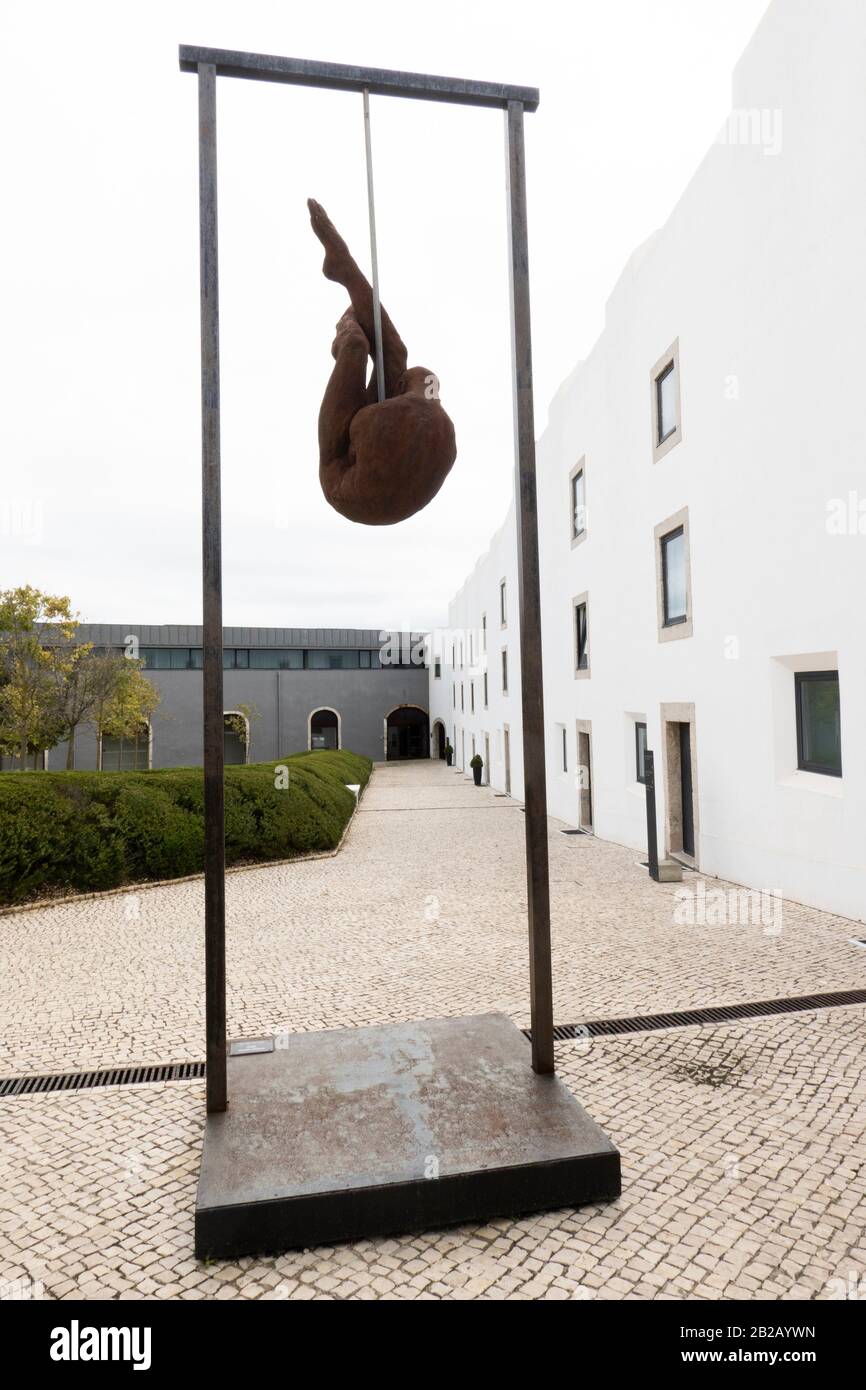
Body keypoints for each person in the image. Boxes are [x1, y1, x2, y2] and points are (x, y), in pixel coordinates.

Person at [308, 199, 457, 526]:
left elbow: (380, 437)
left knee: (356, 346)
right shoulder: (436, 420)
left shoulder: (394, 421)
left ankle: (348, 301)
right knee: (395, 352)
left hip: (342, 474)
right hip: (380, 454)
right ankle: (343, 268)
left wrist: (352, 324)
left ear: (404, 389)